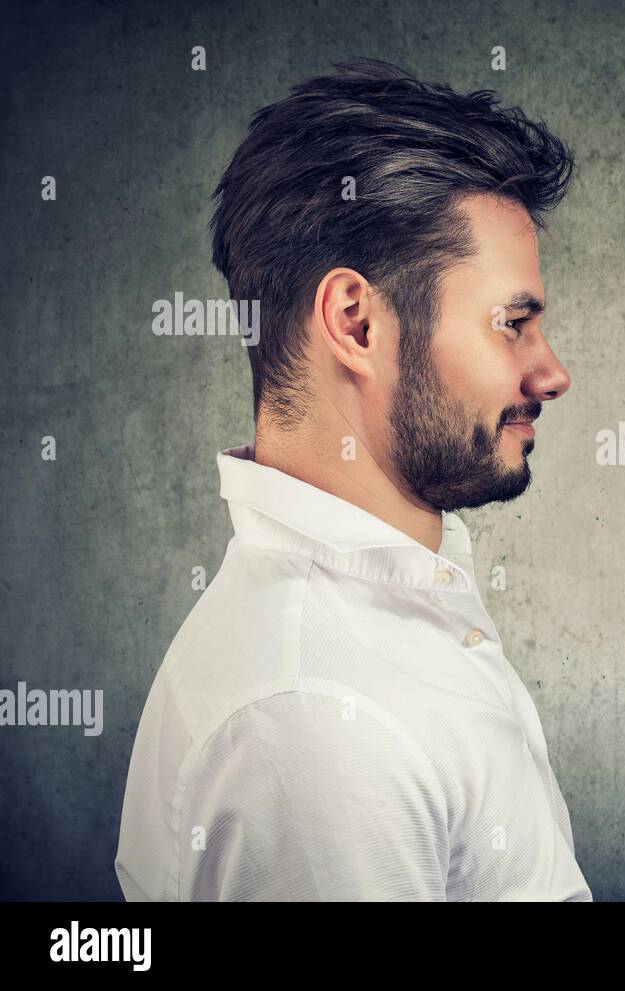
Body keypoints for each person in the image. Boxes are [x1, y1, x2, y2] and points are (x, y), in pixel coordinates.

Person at [114, 59, 589, 900]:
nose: (550, 374)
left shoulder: (379, 625)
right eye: (513, 323)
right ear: (356, 322)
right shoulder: (317, 724)